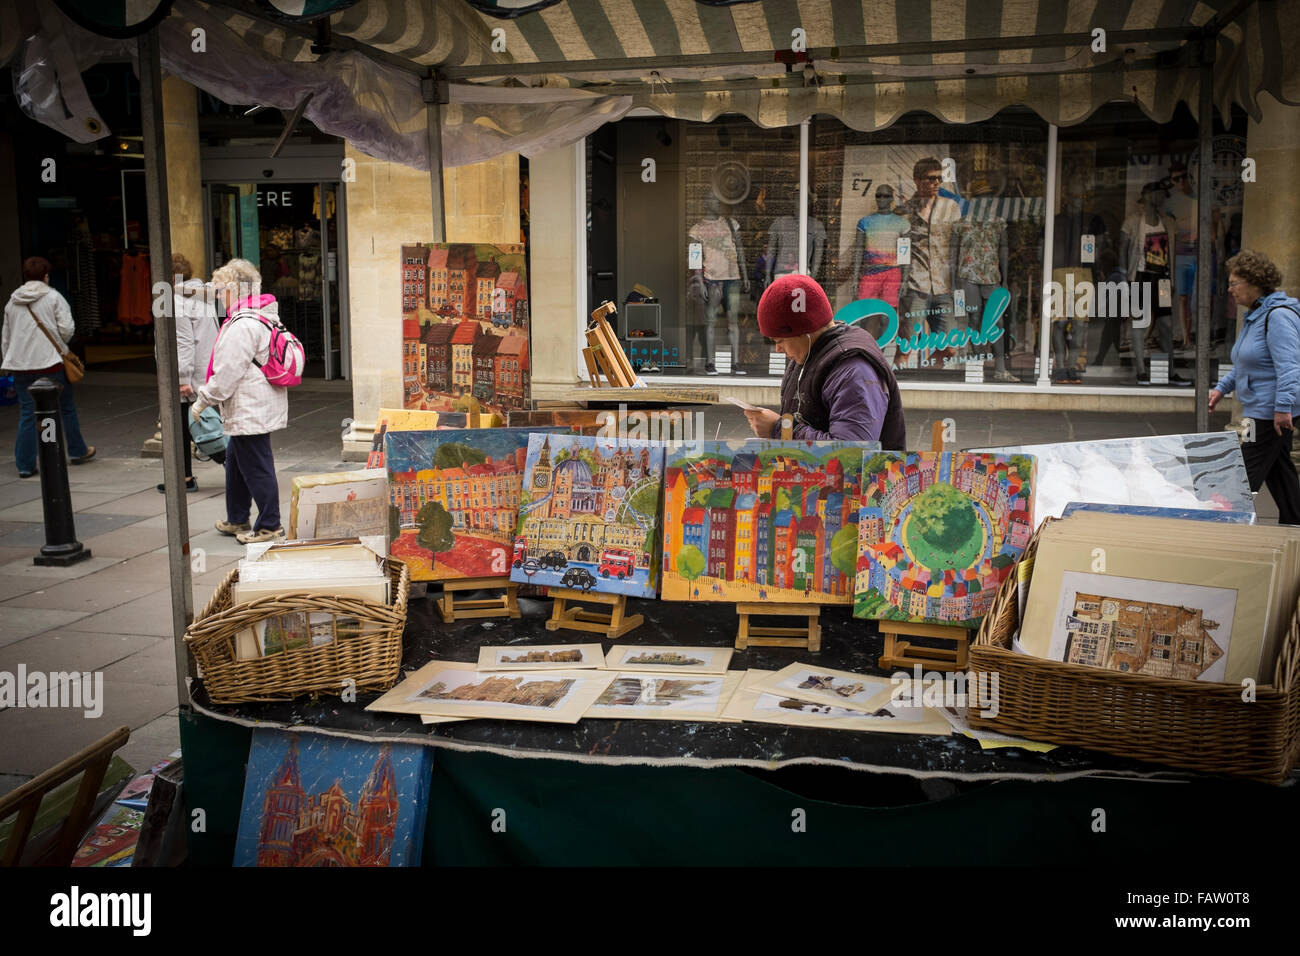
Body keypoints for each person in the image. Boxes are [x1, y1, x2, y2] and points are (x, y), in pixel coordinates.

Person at [743, 274, 906, 446]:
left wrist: (780, 428)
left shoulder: (853, 370)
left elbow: (851, 451)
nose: (778, 349)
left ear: (804, 331)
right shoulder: (809, 352)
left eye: (780, 340)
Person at [191, 259, 288, 544]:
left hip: (250, 408)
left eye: (221, 290)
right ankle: (237, 518)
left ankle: (270, 525)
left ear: (234, 289)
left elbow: (227, 373)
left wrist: (203, 401)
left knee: (257, 466)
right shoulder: (258, 316)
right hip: (256, 404)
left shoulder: (243, 324)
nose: (218, 296)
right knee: (236, 460)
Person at [1209, 250, 1300, 525]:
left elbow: (1290, 366)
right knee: (1279, 472)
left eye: (1235, 283)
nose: (1230, 289)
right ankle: (1295, 524)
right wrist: (1222, 388)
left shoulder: (1278, 317)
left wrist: (1283, 407)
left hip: (1268, 413)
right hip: (1259, 410)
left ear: (1255, 282)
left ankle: (1222, 528)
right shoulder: (1256, 316)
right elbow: (1245, 363)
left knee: (1243, 475)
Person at [2, 256, 95, 477]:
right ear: (46, 276)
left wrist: (8, 361)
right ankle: (74, 450)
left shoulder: (12, 302)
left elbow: (6, 338)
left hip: (21, 366)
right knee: (64, 408)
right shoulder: (53, 297)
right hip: (50, 363)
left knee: (28, 413)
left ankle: (25, 464)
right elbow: (66, 329)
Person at [158, 254, 219, 493]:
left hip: (190, 375)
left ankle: (186, 478)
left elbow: (182, 342)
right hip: (206, 369)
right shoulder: (201, 296)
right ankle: (184, 477)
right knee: (195, 426)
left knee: (190, 427)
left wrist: (182, 379)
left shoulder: (176, 300)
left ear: (170, 278)